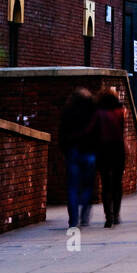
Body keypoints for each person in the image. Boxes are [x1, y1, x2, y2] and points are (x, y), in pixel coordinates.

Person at [59, 87, 98, 229]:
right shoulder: (93, 111)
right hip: (89, 151)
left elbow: (61, 132)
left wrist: (65, 149)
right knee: (88, 186)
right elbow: (97, 132)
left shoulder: (67, 111)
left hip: (73, 150)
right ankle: (85, 217)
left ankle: (73, 219)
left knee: (73, 187)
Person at [93, 89, 126, 228]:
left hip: (102, 149)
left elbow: (94, 132)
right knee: (117, 183)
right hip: (118, 148)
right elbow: (122, 129)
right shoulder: (121, 111)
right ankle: (117, 214)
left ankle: (108, 217)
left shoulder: (97, 113)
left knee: (106, 184)